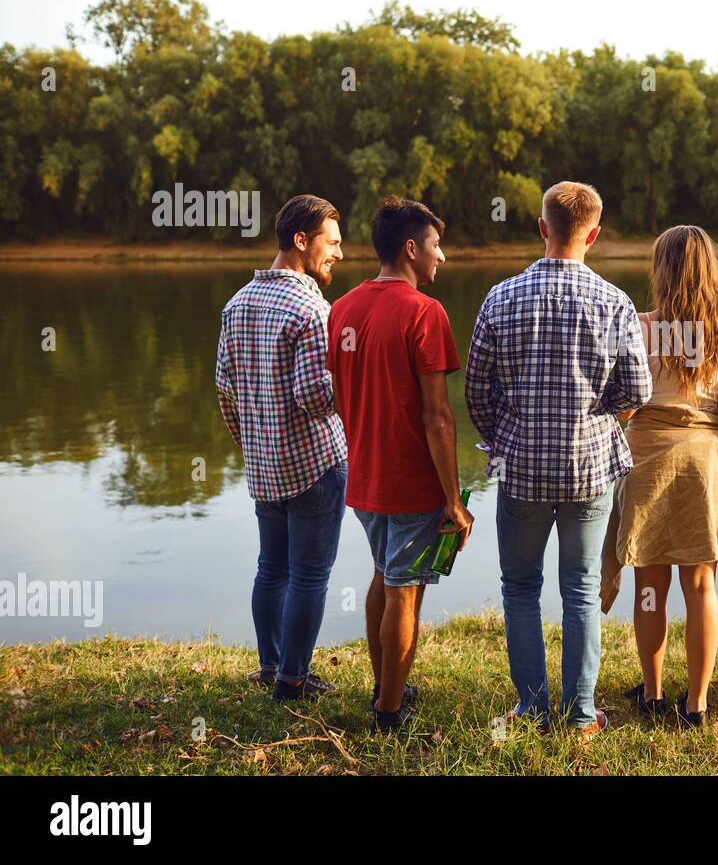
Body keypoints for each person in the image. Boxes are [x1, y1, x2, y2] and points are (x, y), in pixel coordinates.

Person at [465, 181, 651, 735]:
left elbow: (477, 391)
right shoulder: (615, 301)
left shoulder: (499, 297)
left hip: (520, 467)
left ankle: (531, 708)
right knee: (582, 588)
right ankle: (582, 715)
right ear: (593, 235)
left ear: (542, 228)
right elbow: (637, 390)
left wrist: (506, 432)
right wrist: (600, 418)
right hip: (590, 468)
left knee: (519, 587)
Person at [326, 196, 473, 733]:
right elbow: (437, 417)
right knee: (404, 590)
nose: (442, 256)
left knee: (385, 577)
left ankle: (385, 682)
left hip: (364, 477)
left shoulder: (341, 308)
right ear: (411, 248)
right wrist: (453, 499)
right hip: (411, 482)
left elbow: (344, 397)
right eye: (436, 245)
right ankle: (389, 710)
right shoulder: (424, 313)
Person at [600, 225, 718, 728]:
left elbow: (621, 403)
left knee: (650, 580)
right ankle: (698, 703)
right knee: (701, 581)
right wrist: (704, 400)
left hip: (645, 456)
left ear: (660, 270)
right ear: (711, 269)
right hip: (703, 461)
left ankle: (652, 691)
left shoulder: (638, 324)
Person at [215, 194, 348, 704]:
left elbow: (225, 388)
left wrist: (252, 442)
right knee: (310, 576)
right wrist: (355, 388)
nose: (338, 253)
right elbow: (315, 397)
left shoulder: (237, 303)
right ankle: (293, 681)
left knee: (271, 568)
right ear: (302, 240)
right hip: (315, 465)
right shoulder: (312, 308)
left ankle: (270, 667)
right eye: (332, 243)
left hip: (265, 467)